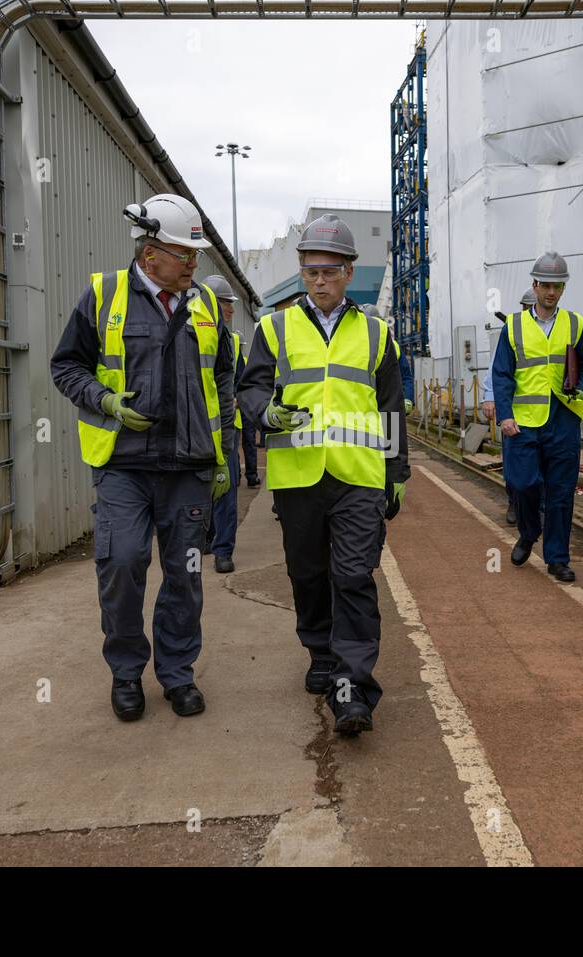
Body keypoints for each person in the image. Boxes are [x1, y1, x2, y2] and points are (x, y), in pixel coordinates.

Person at [50, 193, 234, 722]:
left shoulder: (203, 305)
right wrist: (103, 400)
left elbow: (221, 376)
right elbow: (67, 367)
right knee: (124, 563)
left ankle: (178, 675)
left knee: (186, 575)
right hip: (123, 466)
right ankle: (126, 673)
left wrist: (220, 454)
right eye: (185, 254)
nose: (194, 265)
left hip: (189, 467)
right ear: (150, 253)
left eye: (196, 256)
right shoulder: (103, 296)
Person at [237, 214, 409, 735]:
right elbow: (249, 391)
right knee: (307, 574)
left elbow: (391, 408)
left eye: (330, 271)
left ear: (349, 271)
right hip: (298, 477)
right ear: (301, 270)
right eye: (311, 270)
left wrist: (395, 473)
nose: (319, 280)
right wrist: (267, 413)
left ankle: (352, 688)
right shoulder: (273, 328)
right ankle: (318, 648)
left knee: (354, 575)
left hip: (358, 476)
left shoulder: (377, 334)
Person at [493, 253, 583, 582]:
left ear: (563, 289)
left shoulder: (576, 324)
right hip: (523, 420)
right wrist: (504, 415)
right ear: (534, 285)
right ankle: (529, 531)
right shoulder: (514, 326)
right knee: (522, 484)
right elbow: (502, 374)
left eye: (557, 286)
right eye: (545, 285)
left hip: (563, 420)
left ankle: (557, 558)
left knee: (561, 492)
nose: (551, 291)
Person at [482, 288, 536, 526]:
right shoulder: (512, 332)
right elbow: (497, 368)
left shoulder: (553, 333)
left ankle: (536, 508)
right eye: (526, 308)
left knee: (541, 465)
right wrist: (490, 396)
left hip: (544, 414)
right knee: (514, 463)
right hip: (514, 412)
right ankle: (515, 501)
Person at [201, 274, 244, 573]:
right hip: (198, 427)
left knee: (226, 486)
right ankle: (206, 538)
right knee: (199, 489)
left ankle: (223, 550)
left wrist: (238, 398)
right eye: (227, 304)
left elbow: (243, 380)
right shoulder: (191, 332)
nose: (230, 310)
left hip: (225, 428)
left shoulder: (232, 339)